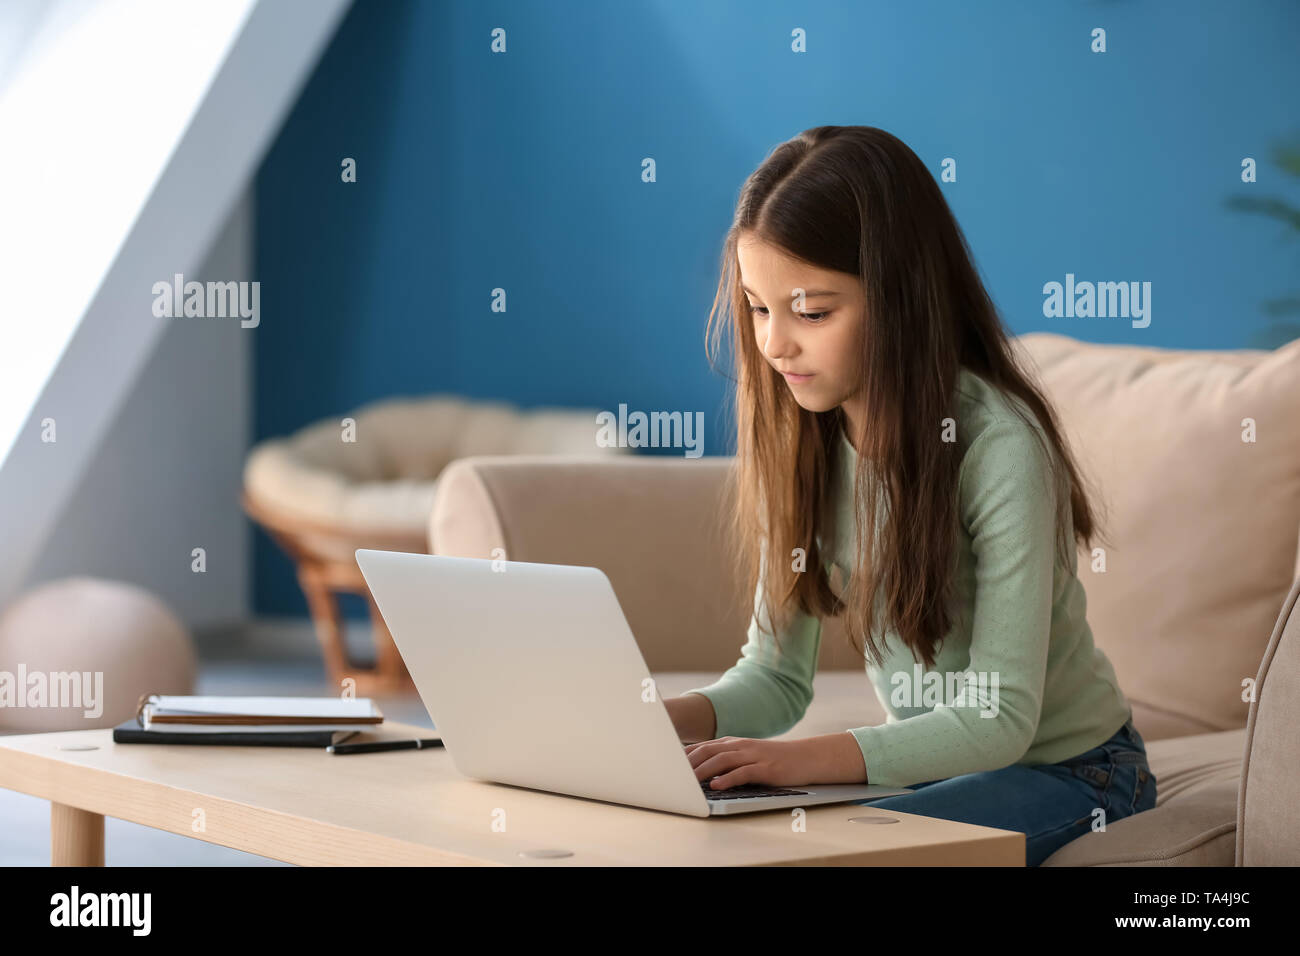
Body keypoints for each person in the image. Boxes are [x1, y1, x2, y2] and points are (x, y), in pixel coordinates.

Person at [662, 126, 1156, 866]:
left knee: (827, 850)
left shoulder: (1000, 448)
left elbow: (999, 720)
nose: (774, 345)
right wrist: (651, 723)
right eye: (758, 308)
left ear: (899, 299)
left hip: (1075, 772)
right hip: (946, 773)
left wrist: (799, 763)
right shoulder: (805, 437)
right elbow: (774, 677)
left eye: (812, 312)